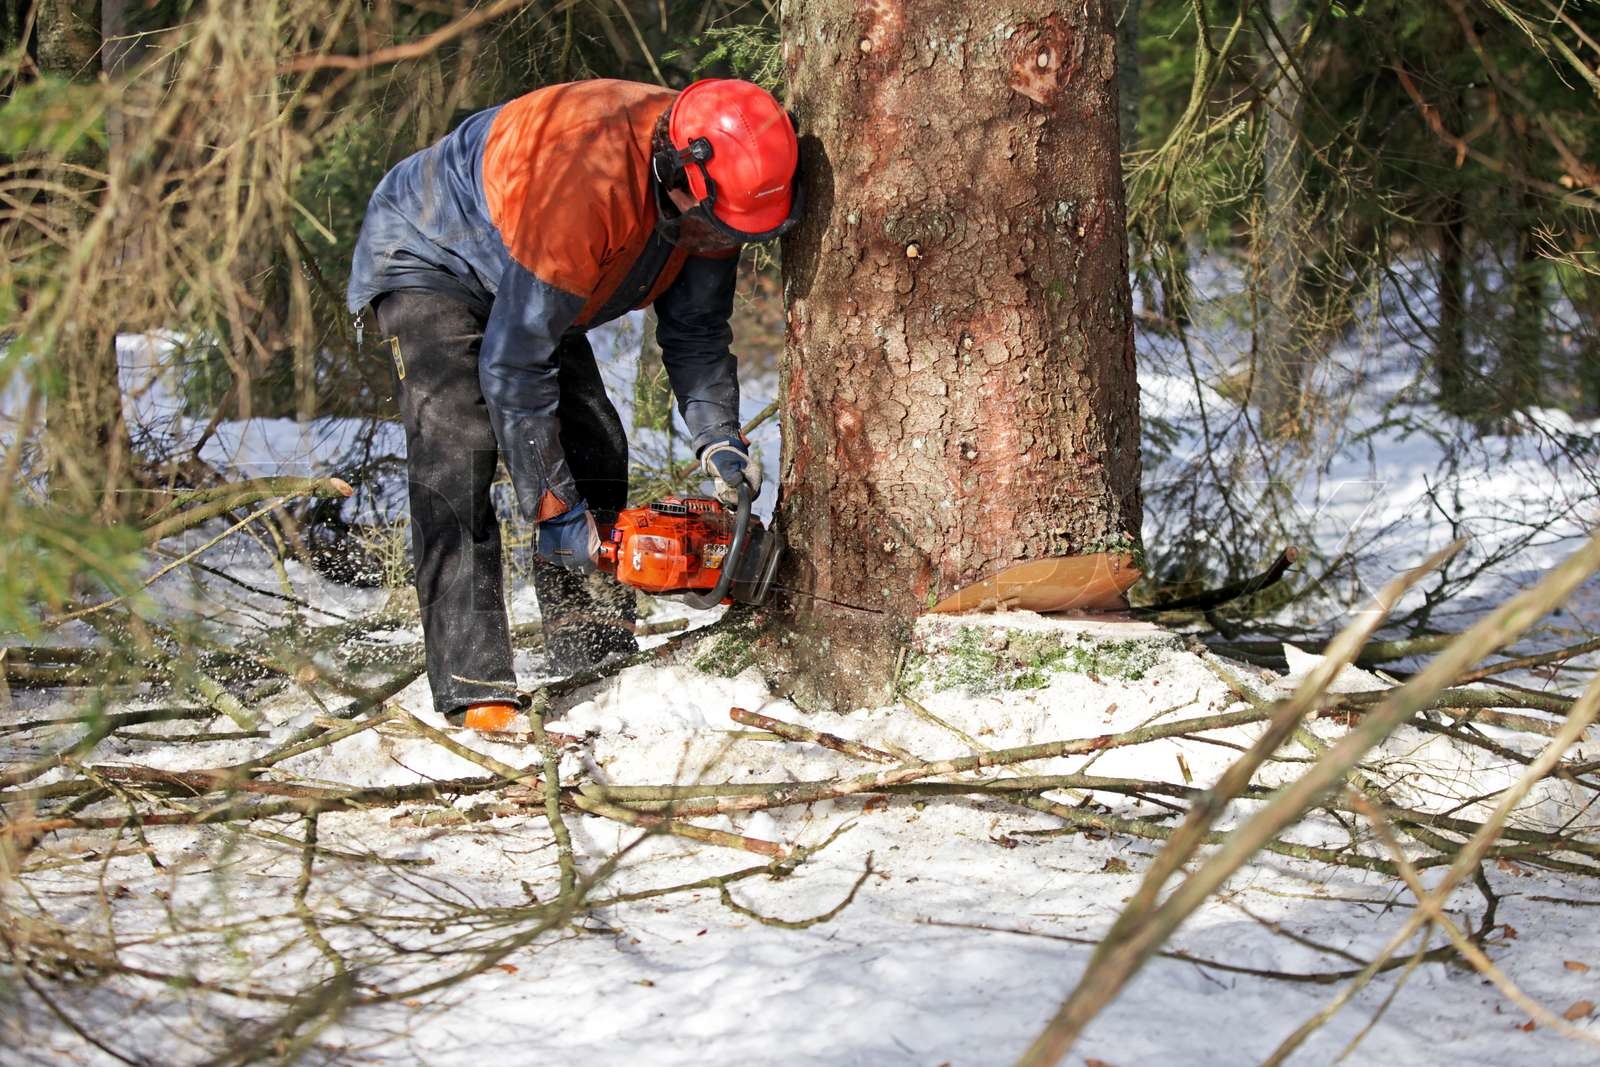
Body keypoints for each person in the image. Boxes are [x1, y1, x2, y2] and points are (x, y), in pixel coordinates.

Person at [346, 78, 802, 731]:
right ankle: (474, 686)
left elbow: (698, 331)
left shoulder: (725, 185)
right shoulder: (586, 183)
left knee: (596, 441)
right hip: (431, 251)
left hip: (534, 269)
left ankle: (593, 647)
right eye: (709, 225)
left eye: (726, 231)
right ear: (674, 170)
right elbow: (513, 366)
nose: (713, 241)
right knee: (458, 452)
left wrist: (719, 437)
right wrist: (555, 508)